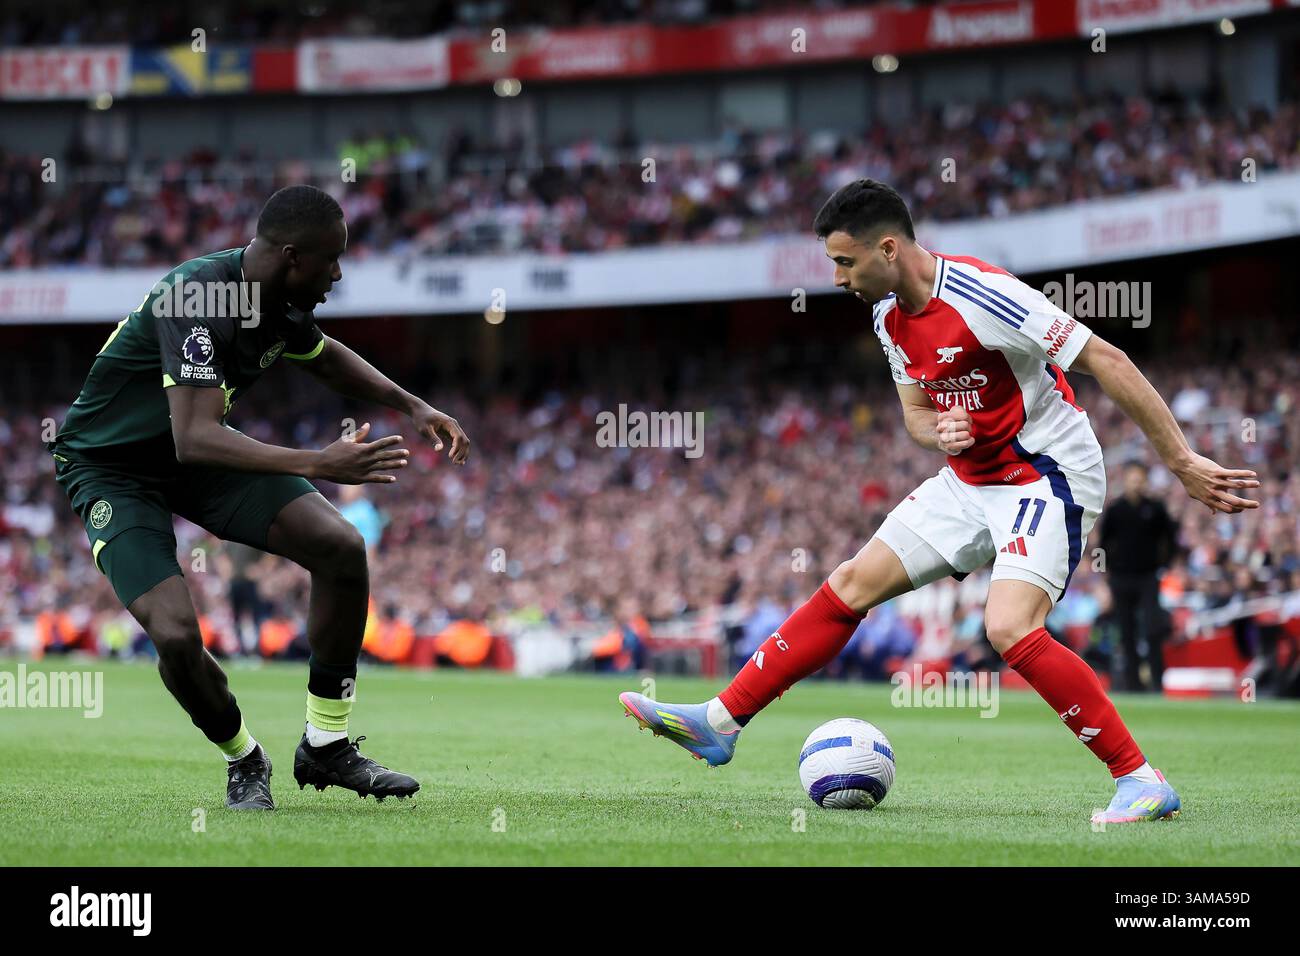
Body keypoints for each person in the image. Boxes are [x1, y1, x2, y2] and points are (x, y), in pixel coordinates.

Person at [620, 179, 1259, 825]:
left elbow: (1108, 359)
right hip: (968, 481)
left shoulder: (988, 295)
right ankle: (721, 723)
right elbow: (917, 416)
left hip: (1045, 475)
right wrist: (942, 430)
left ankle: (1141, 780)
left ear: (889, 248)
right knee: (850, 583)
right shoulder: (885, 316)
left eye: (845, 261)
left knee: (1008, 627)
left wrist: (1180, 461)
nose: (837, 278)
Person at [46, 185, 471, 810]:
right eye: (331, 260)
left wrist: (413, 405)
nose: (338, 273)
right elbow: (193, 438)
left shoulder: (277, 296)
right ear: (293, 256)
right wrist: (319, 463)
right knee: (175, 636)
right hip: (114, 467)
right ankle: (244, 759)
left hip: (190, 454)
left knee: (340, 546)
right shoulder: (199, 297)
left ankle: (326, 745)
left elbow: (322, 356)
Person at [1097, 461, 1178, 691]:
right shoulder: (1115, 510)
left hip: (1148, 577)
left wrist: (1165, 564)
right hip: (1121, 578)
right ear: (1125, 481)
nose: (1136, 483)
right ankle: (1133, 685)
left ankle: (1157, 682)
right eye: (1132, 478)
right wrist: (1103, 574)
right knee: (1126, 631)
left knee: (1153, 629)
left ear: (1145, 481)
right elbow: (1102, 545)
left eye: (1140, 479)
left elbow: (1170, 538)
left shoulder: (1156, 508)